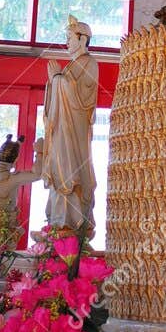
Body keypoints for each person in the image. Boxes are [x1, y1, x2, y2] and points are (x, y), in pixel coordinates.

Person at [42, 16, 98, 231]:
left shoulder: (88, 63)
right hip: (62, 130)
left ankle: (71, 222)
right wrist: (55, 81)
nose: (66, 42)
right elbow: (62, 91)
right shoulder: (71, 66)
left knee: (70, 169)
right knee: (59, 167)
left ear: (82, 39)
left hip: (75, 130)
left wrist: (57, 78)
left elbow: (81, 99)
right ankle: (57, 221)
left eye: (69, 37)